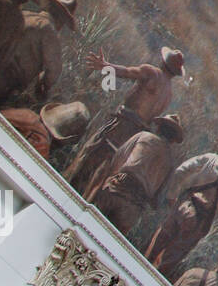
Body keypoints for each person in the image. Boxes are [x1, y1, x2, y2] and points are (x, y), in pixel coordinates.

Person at [66, 45, 185, 194]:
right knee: (107, 172)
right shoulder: (169, 94)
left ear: (163, 61)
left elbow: (127, 72)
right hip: (135, 137)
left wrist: (105, 66)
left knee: (92, 156)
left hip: (122, 125)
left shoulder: (152, 72)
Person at [145, 135, 218, 280]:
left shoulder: (210, 158)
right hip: (198, 222)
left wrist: (171, 196)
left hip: (183, 206)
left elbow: (181, 171)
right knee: (167, 263)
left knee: (154, 247)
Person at [88, 114, 185, 236]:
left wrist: (116, 175)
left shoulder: (143, 136)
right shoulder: (170, 162)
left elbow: (118, 157)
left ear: (159, 127)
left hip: (116, 188)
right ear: (173, 139)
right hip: (134, 206)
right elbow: (158, 199)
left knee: (90, 224)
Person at [0, 0, 77, 106]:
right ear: (61, 19)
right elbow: (54, 69)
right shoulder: (48, 31)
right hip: (8, 79)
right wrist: (44, 84)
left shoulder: (25, 14)